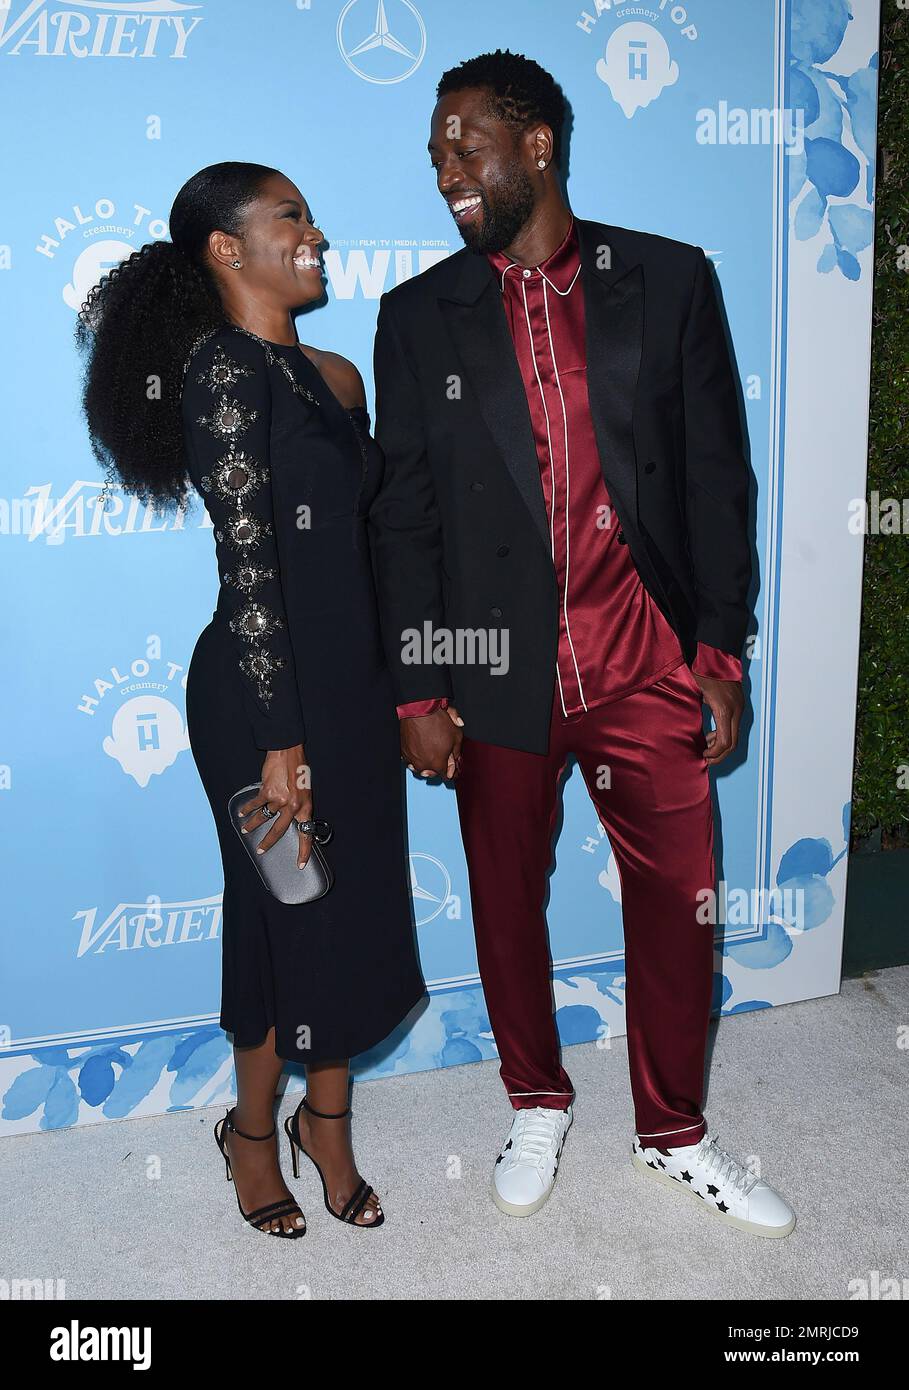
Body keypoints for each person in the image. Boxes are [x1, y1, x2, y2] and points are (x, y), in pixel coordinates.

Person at [369, 51, 795, 1237]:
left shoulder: (667, 281)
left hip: (645, 656)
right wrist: (416, 684)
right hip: (492, 671)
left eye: (467, 142)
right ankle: (537, 1098)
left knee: (680, 903)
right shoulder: (417, 317)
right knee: (507, 900)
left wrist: (721, 651)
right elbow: (400, 514)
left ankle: (677, 1130)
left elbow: (719, 478)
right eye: (436, 150)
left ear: (539, 143)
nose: (447, 166)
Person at [76, 161, 426, 1238]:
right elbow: (250, 564)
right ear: (227, 249)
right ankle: (250, 1132)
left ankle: (329, 1124)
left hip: (353, 684)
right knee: (285, 908)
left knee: (351, 902)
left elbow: (369, 548)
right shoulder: (223, 370)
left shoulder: (335, 377)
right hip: (259, 689)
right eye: (290, 218)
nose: (315, 231)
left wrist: (407, 684)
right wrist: (282, 739)